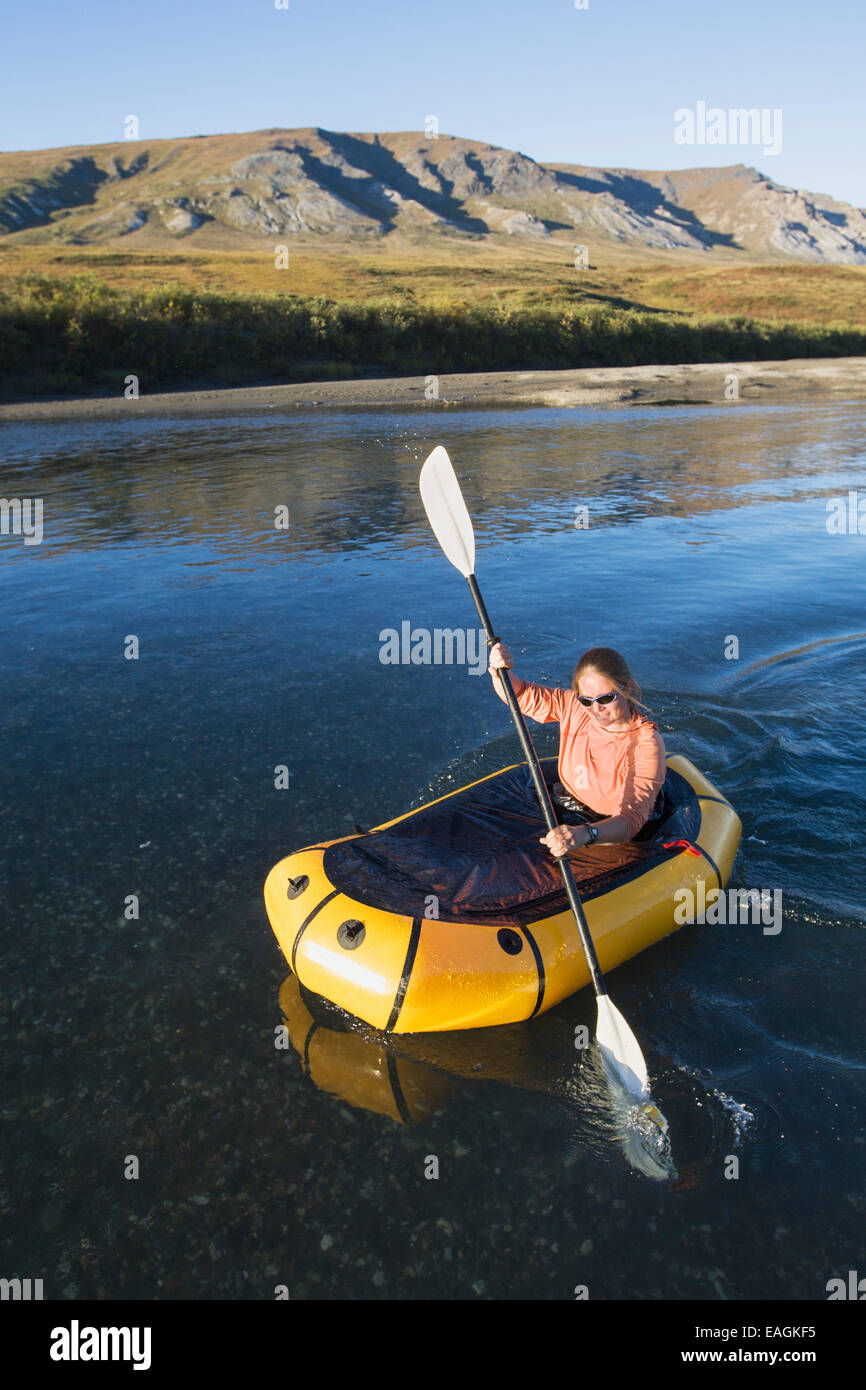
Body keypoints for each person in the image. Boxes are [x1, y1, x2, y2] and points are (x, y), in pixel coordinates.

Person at [488, 642, 666, 858]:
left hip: (614, 829)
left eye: (606, 698)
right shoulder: (574, 705)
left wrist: (585, 834)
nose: (596, 709)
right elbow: (521, 696)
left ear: (627, 688)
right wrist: (499, 672)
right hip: (572, 805)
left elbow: (631, 819)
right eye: (586, 700)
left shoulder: (645, 745)